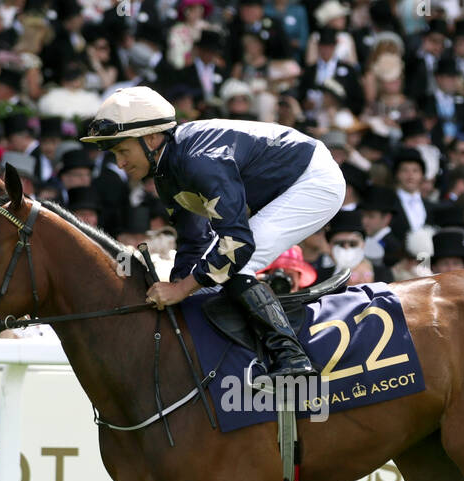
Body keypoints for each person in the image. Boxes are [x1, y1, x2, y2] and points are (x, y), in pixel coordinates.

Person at [80, 85, 345, 380]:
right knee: (210, 270)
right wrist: (178, 298)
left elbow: (237, 244)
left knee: (237, 264)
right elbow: (194, 240)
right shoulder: (167, 169)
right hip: (283, 183)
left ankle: (292, 359)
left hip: (313, 180)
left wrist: (180, 290)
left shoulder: (198, 162)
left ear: (151, 138)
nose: (120, 163)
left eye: (122, 150)